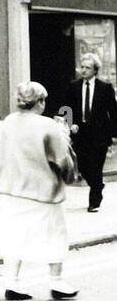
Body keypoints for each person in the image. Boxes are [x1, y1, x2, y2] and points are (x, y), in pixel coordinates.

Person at [0, 81, 77, 300]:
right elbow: (62, 160)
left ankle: (12, 283)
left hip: (11, 189)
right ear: (39, 102)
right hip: (42, 191)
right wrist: (70, 177)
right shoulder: (48, 125)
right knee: (55, 235)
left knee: (14, 236)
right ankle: (57, 282)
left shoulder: (9, 122)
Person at [56, 54, 117, 212]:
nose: (83, 70)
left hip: (99, 134)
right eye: (81, 67)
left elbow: (114, 113)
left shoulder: (105, 88)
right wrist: (71, 124)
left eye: (87, 67)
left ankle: (94, 201)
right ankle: (98, 185)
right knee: (83, 166)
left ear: (95, 70)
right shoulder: (73, 86)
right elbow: (65, 108)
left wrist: (112, 135)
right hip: (80, 132)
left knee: (96, 167)